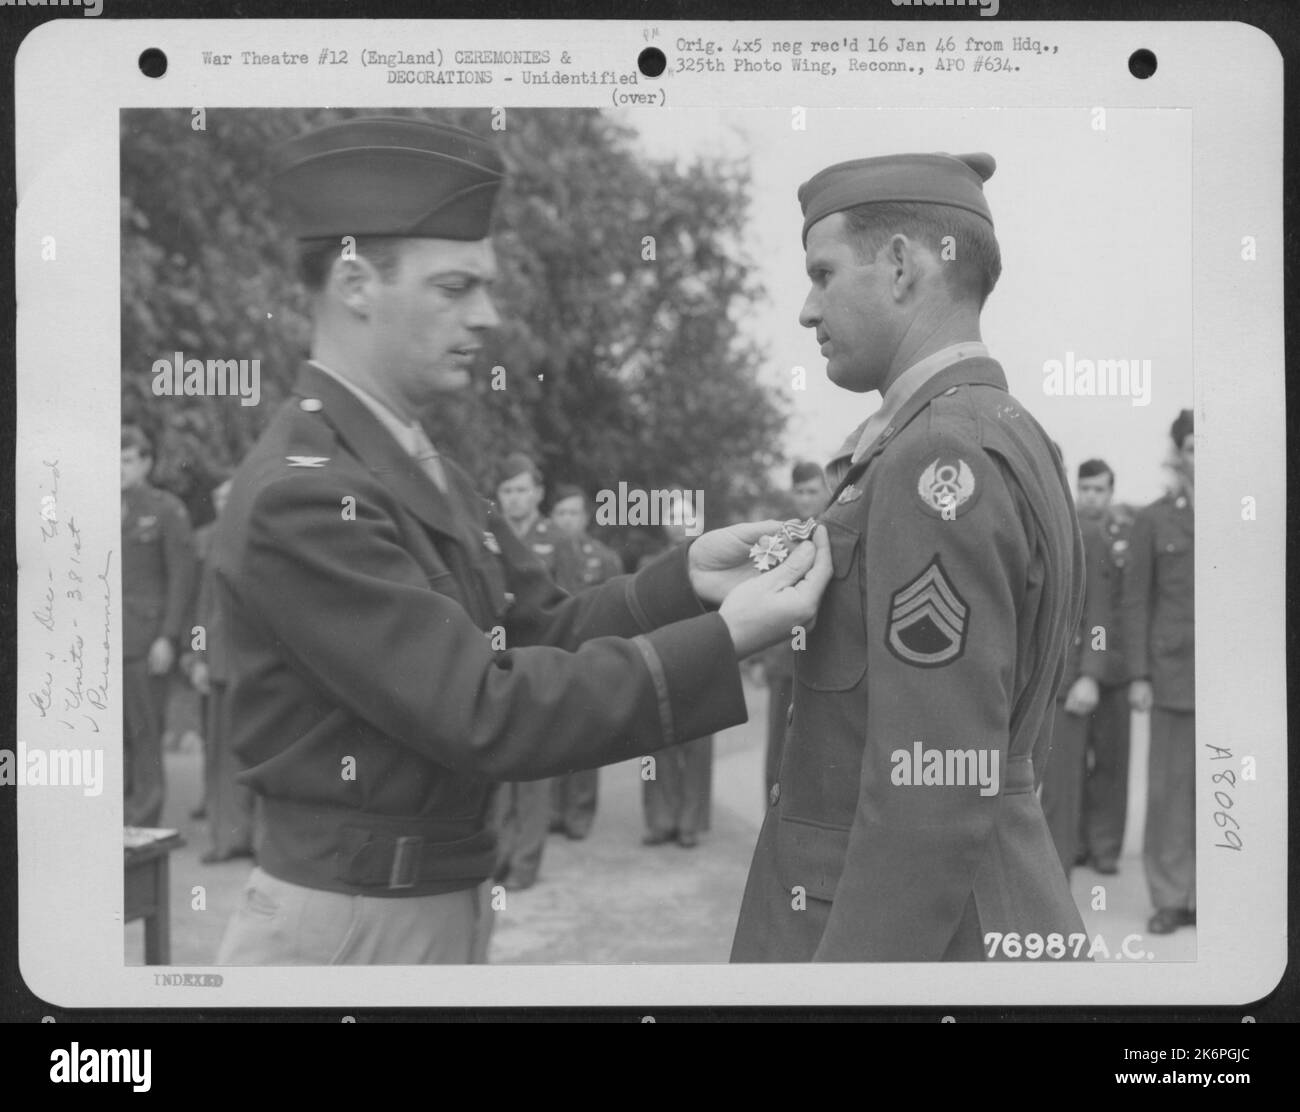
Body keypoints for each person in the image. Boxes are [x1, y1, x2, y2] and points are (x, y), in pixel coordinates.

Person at [209, 115, 831, 964]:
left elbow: (539, 632)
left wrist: (686, 581)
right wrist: (724, 640)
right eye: (455, 287)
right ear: (355, 283)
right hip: (351, 926)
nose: (488, 315)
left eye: (487, 286)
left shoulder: (419, 465)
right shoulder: (306, 493)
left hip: (419, 903)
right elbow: (486, 711)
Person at [732, 152, 1088, 962]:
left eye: (823, 274)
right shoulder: (1000, 431)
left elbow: (933, 788)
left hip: (923, 939)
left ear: (900, 266)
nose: (807, 310)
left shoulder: (936, 455)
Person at [490, 452, 580, 889]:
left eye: (522, 489)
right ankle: (500, 855)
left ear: (538, 493)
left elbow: (570, 604)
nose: (515, 498)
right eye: (507, 491)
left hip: (541, 660)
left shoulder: (557, 540)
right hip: (497, 661)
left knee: (533, 769)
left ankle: (525, 863)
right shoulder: (489, 536)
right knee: (500, 765)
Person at [1123, 410, 1195, 935]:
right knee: (1170, 791)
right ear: (1178, 455)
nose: (1202, 457)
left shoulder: (1247, 514)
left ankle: (1216, 895)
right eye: (1193, 447)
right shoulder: (1153, 519)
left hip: (1236, 679)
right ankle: (1171, 896)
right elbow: (1135, 601)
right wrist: (1140, 675)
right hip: (1173, 674)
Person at [1041, 460, 1126, 877]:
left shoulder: (1089, 534)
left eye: (1098, 489)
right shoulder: (1046, 523)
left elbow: (1098, 617)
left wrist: (1090, 672)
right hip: (1043, 677)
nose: (1089, 497)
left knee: (1073, 782)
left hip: (1077, 674)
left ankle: (1068, 872)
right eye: (1084, 488)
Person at [121, 424, 198, 828]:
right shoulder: (95, 507)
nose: (119, 468)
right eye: (113, 460)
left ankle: (144, 823)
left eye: (127, 460)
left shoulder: (166, 509)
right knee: (111, 737)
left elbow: (181, 578)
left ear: (146, 463)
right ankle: (116, 820)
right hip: (103, 645)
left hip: (146, 640)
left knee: (146, 733)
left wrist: (168, 637)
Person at [547, 483, 623, 840]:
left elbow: (616, 608)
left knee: (587, 735)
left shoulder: (604, 558)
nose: (567, 520)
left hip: (590, 654)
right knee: (550, 730)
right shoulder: (539, 557)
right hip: (551, 654)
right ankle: (553, 810)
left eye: (573, 512)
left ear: (586, 517)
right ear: (552, 517)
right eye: (561, 513)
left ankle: (580, 812)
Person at [186, 477, 256, 864]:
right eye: (217, 497)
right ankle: (227, 839)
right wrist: (198, 657)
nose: (222, 503)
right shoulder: (213, 538)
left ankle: (256, 840)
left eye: (229, 496)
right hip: (217, 661)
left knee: (257, 751)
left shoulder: (259, 532)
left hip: (254, 660)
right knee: (220, 757)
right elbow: (203, 604)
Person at [641, 505, 717, 850]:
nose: (679, 525)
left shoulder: (714, 560)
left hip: (700, 659)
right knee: (655, 746)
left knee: (698, 747)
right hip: (658, 658)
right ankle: (659, 821)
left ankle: (690, 823)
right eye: (673, 517)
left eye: (687, 517)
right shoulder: (649, 563)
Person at [757, 462, 828, 799]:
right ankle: (768, 820)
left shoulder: (836, 536)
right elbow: (758, 598)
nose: (806, 499)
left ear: (826, 492)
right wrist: (758, 659)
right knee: (776, 750)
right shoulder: (777, 540)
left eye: (812, 491)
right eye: (799, 492)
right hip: (784, 659)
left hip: (824, 660)